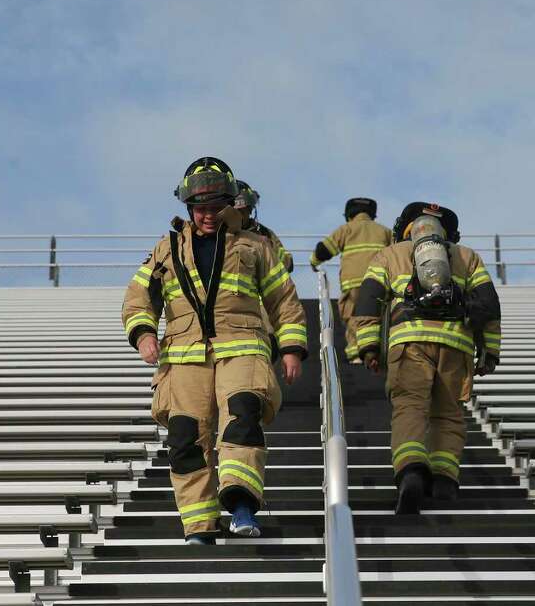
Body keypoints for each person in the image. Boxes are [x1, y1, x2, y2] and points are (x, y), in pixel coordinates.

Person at [122, 157, 308, 544]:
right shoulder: (166, 249)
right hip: (182, 359)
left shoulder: (256, 245)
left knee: (243, 415)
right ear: (189, 208)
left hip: (243, 350)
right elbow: (138, 297)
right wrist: (143, 334)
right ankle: (199, 527)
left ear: (229, 205)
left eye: (216, 207)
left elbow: (283, 301)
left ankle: (241, 506)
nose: (208, 215)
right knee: (186, 438)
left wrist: (291, 348)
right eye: (200, 208)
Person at [349, 202, 501, 514]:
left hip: (409, 344)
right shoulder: (468, 257)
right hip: (456, 346)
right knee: (448, 415)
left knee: (410, 409)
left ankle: (411, 471)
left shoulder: (389, 255)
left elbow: (367, 302)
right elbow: (489, 307)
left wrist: (368, 347)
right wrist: (490, 352)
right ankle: (444, 479)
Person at [309, 198, 393, 363]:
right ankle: (379, 352)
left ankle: (356, 355)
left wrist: (314, 262)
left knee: (353, 316)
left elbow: (324, 250)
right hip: (378, 281)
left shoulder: (346, 230)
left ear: (348, 214)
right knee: (379, 316)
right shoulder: (384, 231)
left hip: (353, 283)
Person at [233, 180, 294, 273]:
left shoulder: (264, 233)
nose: (238, 215)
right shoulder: (217, 232)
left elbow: (289, 265)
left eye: (241, 211)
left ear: (250, 209)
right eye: (233, 211)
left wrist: (269, 246)